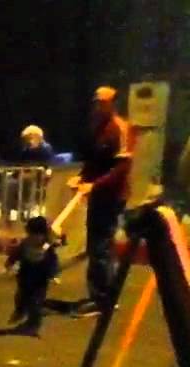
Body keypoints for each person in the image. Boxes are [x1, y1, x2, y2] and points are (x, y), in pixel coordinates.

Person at [71, 85, 132, 318]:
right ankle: (99, 296)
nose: (99, 106)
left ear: (113, 103)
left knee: (101, 246)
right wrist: (82, 177)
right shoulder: (98, 128)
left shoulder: (119, 128)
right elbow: (94, 161)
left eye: (103, 102)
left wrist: (94, 185)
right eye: (97, 102)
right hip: (99, 195)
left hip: (112, 195)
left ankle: (103, 300)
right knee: (96, 245)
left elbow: (122, 168)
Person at [0, 216, 60, 337]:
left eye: (38, 235)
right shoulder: (25, 244)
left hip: (40, 281)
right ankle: (19, 311)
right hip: (25, 278)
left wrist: (53, 275)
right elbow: (15, 255)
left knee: (36, 303)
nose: (35, 238)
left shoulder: (47, 248)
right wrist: (7, 266)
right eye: (33, 235)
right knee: (20, 297)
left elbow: (53, 261)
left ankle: (33, 325)